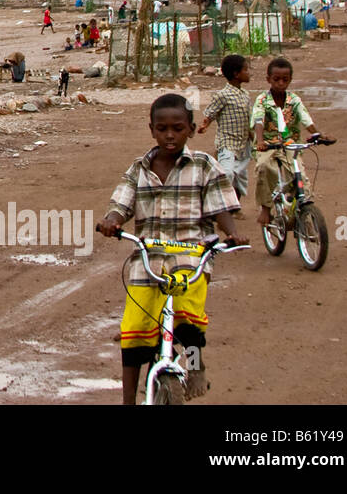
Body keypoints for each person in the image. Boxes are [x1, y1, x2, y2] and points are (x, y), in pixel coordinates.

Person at [97, 93, 245, 404]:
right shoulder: (140, 168)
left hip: (191, 254)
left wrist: (232, 233)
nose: (169, 135)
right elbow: (121, 203)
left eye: (177, 128)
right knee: (135, 329)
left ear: (191, 129)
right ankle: (128, 400)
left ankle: (195, 364)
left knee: (188, 316)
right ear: (151, 129)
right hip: (148, 257)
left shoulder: (203, 165)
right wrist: (111, 220)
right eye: (162, 128)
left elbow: (220, 209)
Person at [250, 57, 330, 227]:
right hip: (268, 144)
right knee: (264, 168)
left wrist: (318, 135)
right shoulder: (262, 100)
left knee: (300, 177)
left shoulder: (294, 100)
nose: (280, 83)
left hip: (290, 145)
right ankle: (265, 208)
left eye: (285, 80)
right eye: (276, 79)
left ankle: (304, 214)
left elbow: (306, 119)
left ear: (290, 80)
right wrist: (261, 141)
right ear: (268, 80)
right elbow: (258, 120)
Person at [197, 54, 253, 213]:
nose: (249, 73)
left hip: (243, 143)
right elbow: (211, 112)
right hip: (227, 141)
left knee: (240, 176)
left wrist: (254, 138)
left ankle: (233, 207)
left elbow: (249, 119)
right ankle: (217, 204)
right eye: (246, 70)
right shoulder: (223, 95)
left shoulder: (245, 95)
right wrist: (204, 125)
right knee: (227, 173)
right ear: (236, 74)